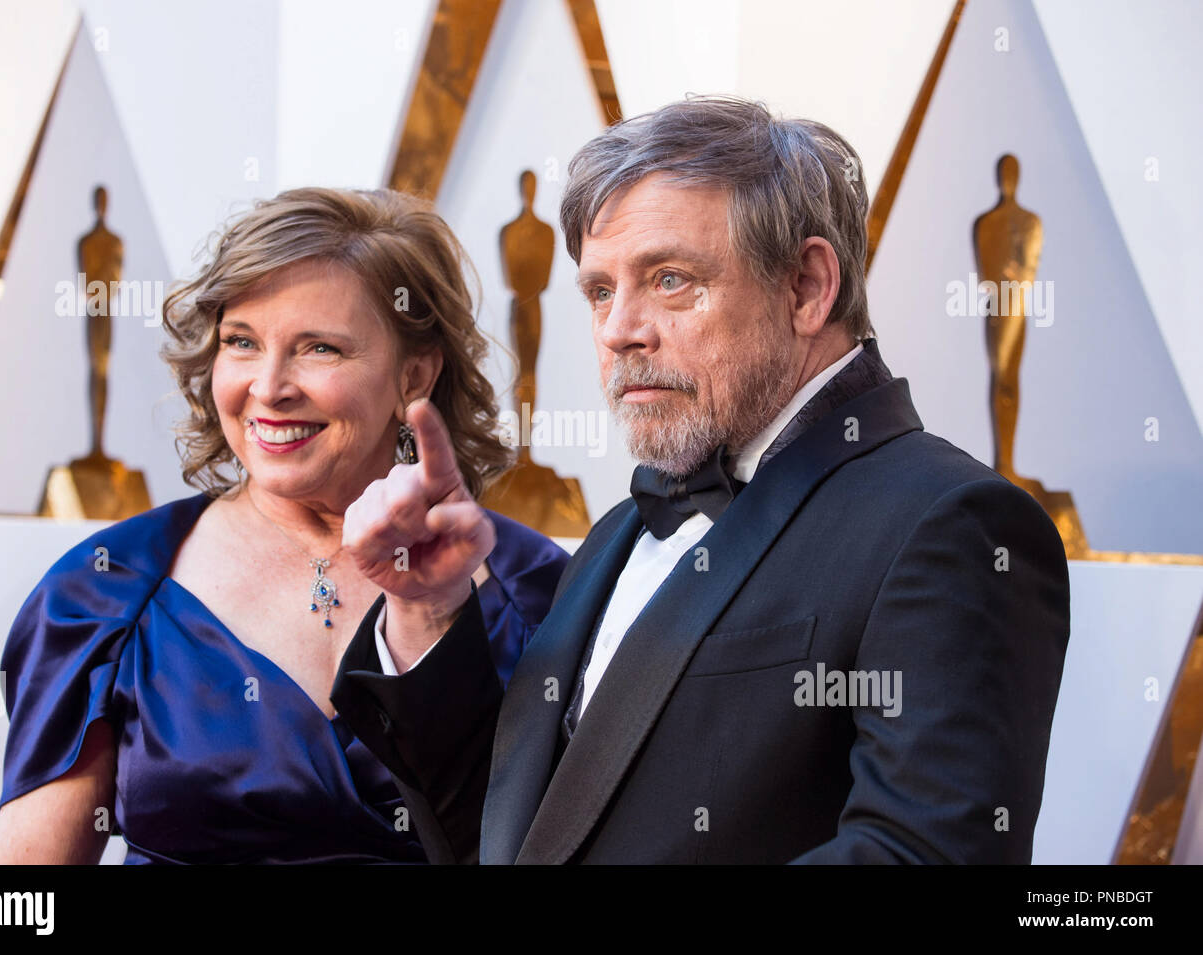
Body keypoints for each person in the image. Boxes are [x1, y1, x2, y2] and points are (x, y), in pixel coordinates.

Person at [333, 97, 1071, 864]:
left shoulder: (954, 524)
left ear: (807, 287)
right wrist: (425, 610)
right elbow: (513, 842)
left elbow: (924, 856)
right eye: (599, 291)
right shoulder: (619, 531)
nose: (621, 328)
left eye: (671, 279)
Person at [0, 188, 567, 864]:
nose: (268, 386)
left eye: (318, 348)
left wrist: (434, 615)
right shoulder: (105, 595)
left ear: (415, 373)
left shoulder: (540, 594)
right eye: (241, 342)